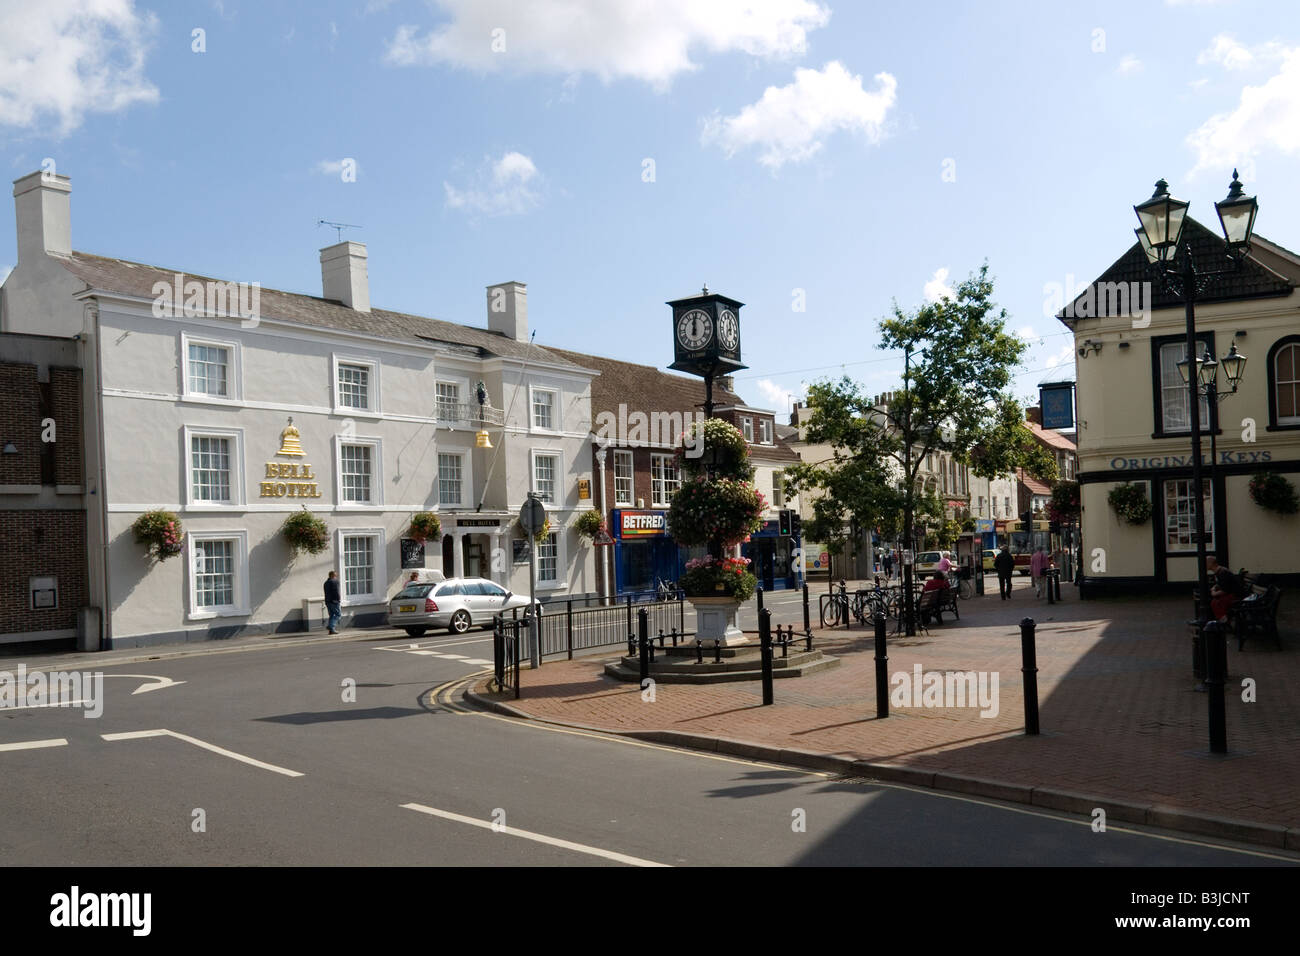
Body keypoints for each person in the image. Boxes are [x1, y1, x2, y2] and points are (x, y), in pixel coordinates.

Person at [1206, 556, 1246, 622]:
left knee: (1216, 602)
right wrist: (1214, 588)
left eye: (1206, 563)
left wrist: (1214, 593)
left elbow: (1225, 590)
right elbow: (1220, 584)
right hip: (1233, 593)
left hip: (1236, 595)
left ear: (1211, 564)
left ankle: (1223, 620)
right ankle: (1220, 619)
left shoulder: (1222, 572)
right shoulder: (1221, 571)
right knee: (1214, 601)